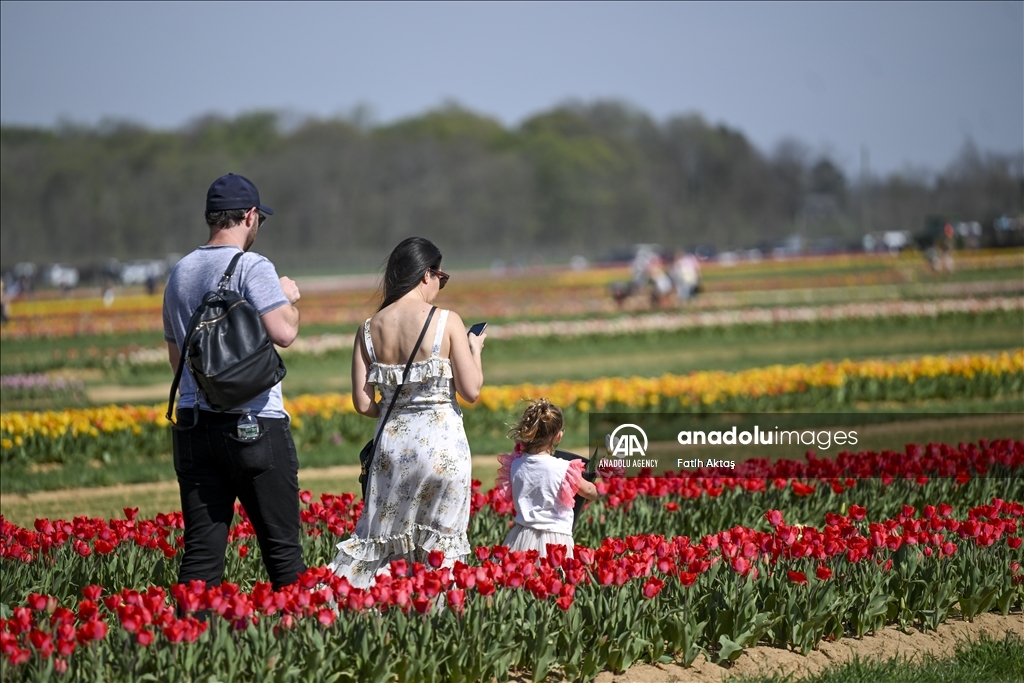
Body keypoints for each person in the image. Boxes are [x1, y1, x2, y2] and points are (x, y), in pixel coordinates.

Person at [162, 173, 305, 591]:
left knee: (202, 554)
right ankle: (297, 644)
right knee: (282, 552)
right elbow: (284, 334)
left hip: (192, 425)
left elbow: (177, 360)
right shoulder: (252, 267)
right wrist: (288, 300)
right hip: (253, 423)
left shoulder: (180, 273)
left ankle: (188, 645)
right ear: (249, 215)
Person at [329, 237, 485, 587]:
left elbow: (364, 403)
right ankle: (438, 613)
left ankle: (375, 605)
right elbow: (471, 390)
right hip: (442, 448)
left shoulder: (368, 329)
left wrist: (399, 407)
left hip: (392, 451)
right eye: (441, 279)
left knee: (386, 540)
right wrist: (475, 349)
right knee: (439, 548)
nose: (440, 288)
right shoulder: (447, 321)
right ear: (426, 274)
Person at [494, 399, 599, 559]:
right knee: (550, 579)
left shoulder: (515, 464)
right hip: (554, 540)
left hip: (521, 536)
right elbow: (589, 490)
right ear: (558, 437)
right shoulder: (563, 468)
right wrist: (591, 497)